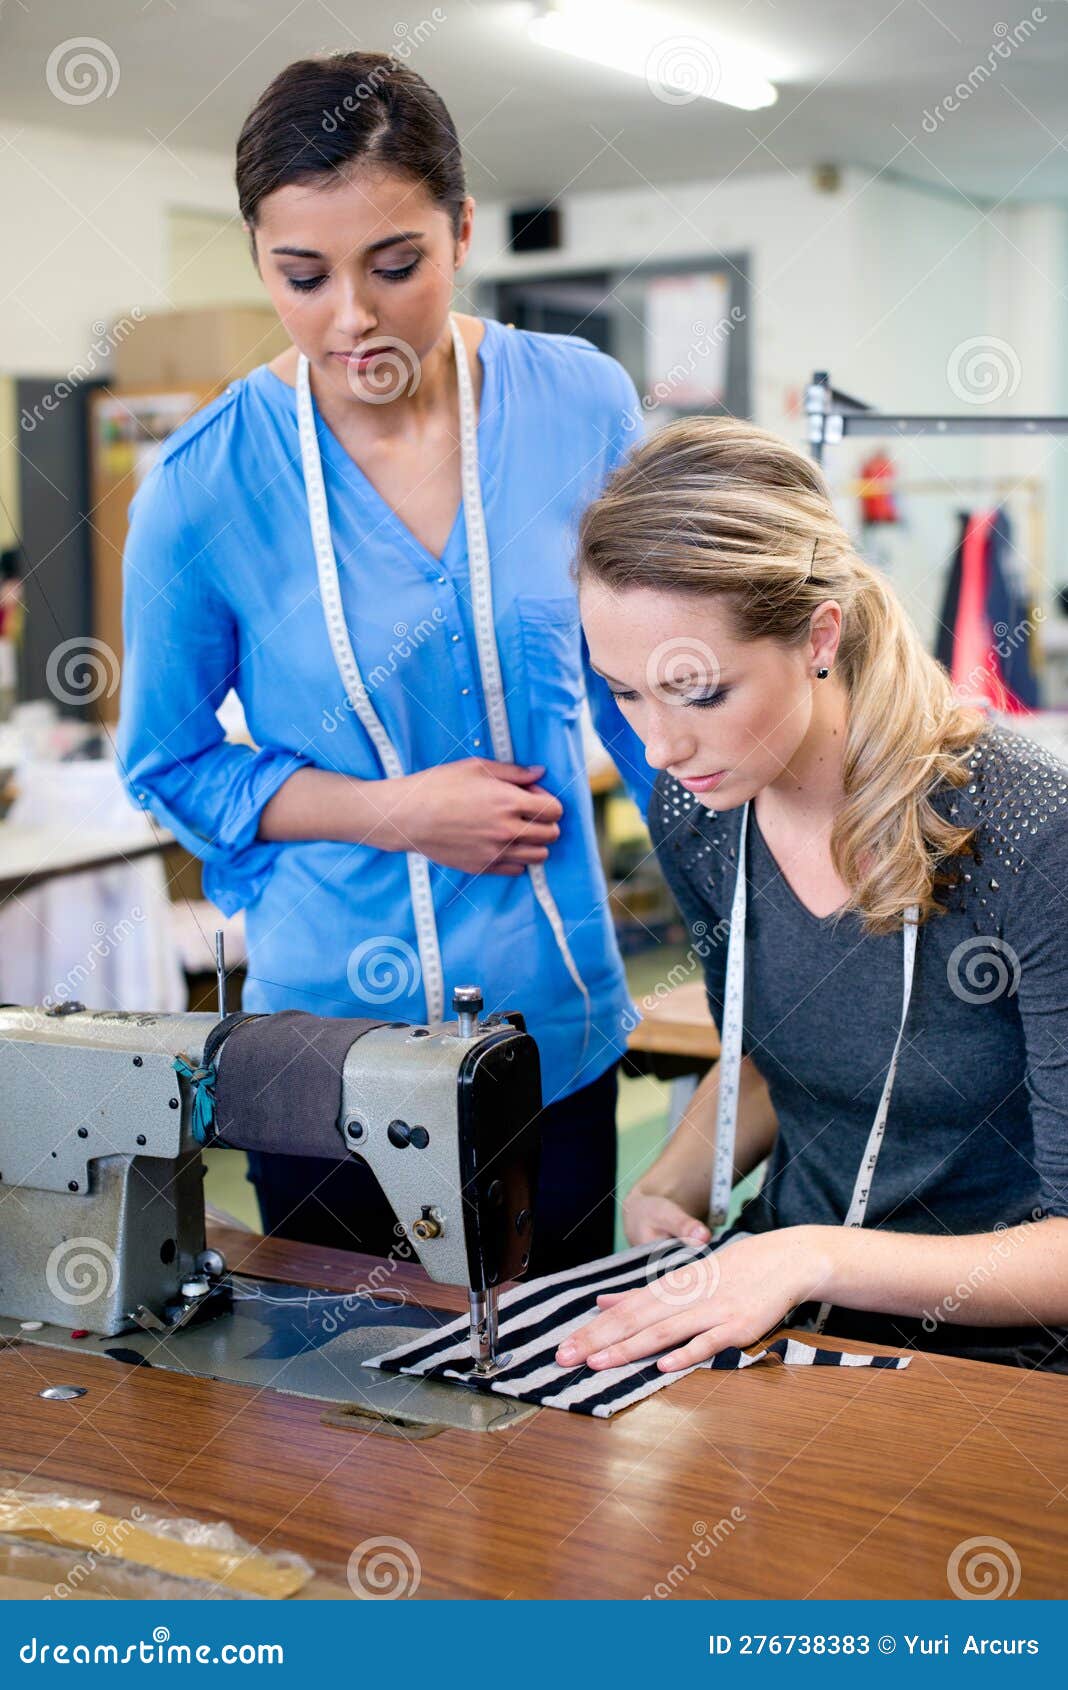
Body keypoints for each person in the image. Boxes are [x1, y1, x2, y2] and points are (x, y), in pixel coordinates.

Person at [118, 52, 653, 1273]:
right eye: (303, 276)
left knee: (562, 1366)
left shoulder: (581, 406)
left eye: (395, 264)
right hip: (326, 1054)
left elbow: (643, 702)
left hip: (553, 1022)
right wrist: (394, 812)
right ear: (259, 256)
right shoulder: (203, 486)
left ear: (461, 231)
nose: (351, 317)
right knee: (348, 1383)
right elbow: (169, 765)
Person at [558, 415, 1068, 1375]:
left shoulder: (1032, 833)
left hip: (1004, 1363)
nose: (659, 747)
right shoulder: (700, 811)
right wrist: (671, 1181)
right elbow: (775, 1053)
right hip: (786, 1314)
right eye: (624, 693)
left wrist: (807, 1257)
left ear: (818, 636)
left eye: (699, 692)